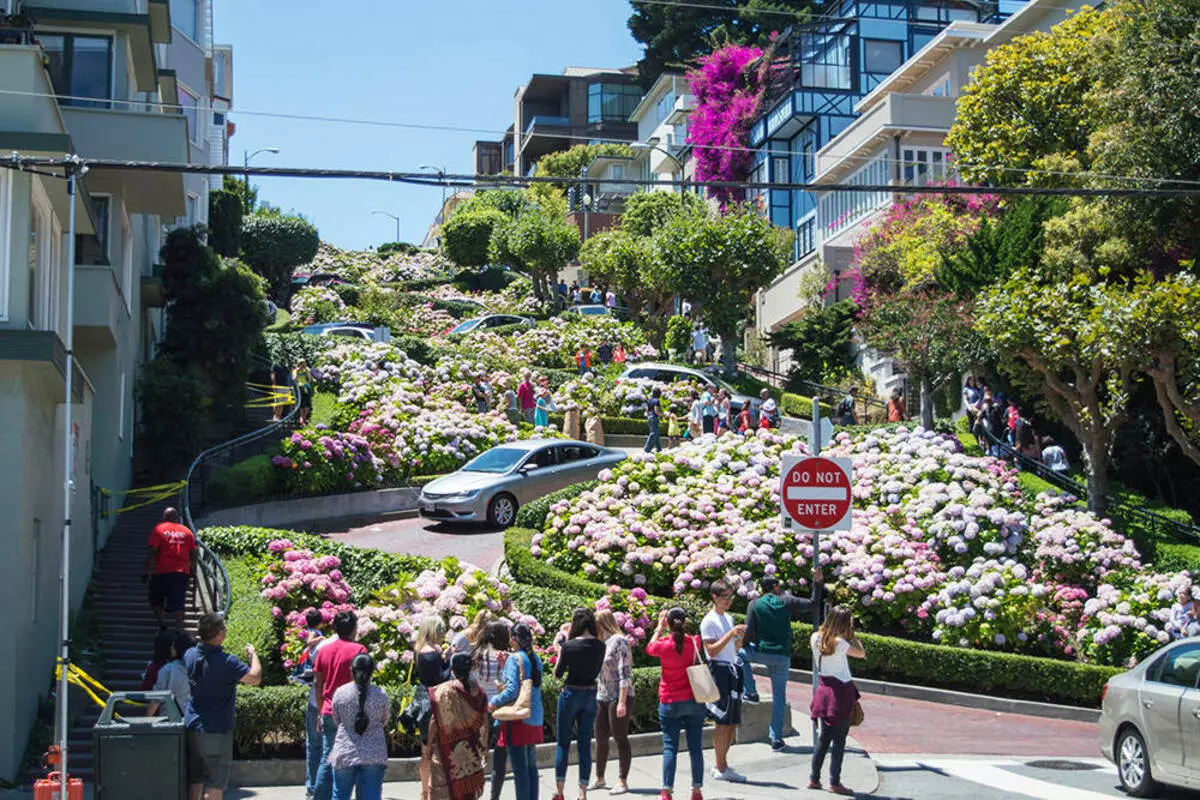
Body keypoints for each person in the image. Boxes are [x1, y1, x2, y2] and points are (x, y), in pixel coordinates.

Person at [184, 612, 261, 800]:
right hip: (216, 729)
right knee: (215, 782)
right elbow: (255, 678)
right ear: (219, 633)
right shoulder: (227, 661)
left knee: (195, 779)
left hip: (192, 724)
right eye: (224, 628)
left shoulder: (189, 654)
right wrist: (253, 655)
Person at [740, 575, 820, 749]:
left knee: (738, 655)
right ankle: (776, 738)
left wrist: (747, 646)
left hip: (761, 652)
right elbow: (813, 603)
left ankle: (751, 692)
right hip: (782, 656)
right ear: (775, 587)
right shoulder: (786, 601)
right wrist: (817, 582)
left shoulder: (754, 604)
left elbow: (748, 631)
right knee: (779, 697)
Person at [645, 608, 706, 800]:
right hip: (693, 700)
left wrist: (659, 627)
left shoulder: (663, 645)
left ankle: (667, 790)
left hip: (670, 700)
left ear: (669, 623)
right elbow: (691, 640)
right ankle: (696, 790)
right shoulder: (694, 641)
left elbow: (649, 648)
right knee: (695, 746)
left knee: (670, 747)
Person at [808, 607, 866, 796]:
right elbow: (861, 653)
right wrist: (852, 634)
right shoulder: (841, 643)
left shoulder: (815, 637)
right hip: (840, 692)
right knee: (839, 740)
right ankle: (835, 781)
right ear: (843, 623)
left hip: (824, 690)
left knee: (824, 739)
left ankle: (814, 778)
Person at [313, 611, 368, 800]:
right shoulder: (359, 650)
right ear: (353, 629)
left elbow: (318, 684)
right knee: (356, 759)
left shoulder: (324, 650)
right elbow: (362, 684)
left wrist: (321, 710)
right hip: (351, 711)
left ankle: (320, 797)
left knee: (328, 757)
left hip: (328, 709)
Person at [553, 608, 606, 800]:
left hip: (571, 693)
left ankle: (559, 790)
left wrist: (560, 650)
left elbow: (558, 674)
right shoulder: (601, 646)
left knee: (563, 744)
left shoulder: (569, 647)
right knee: (585, 744)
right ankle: (582, 791)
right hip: (591, 693)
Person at [422, 653, 490, 800]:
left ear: (452, 669)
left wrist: (428, 745)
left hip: (445, 752)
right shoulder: (480, 692)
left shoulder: (443, 691)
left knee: (442, 790)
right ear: (471, 668)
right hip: (472, 751)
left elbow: (435, 721)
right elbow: (485, 722)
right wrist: (485, 747)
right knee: (468, 791)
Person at [489, 623, 544, 800]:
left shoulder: (515, 659)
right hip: (533, 716)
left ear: (514, 639)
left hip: (517, 719)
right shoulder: (535, 658)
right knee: (530, 766)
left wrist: (493, 701)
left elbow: (511, 690)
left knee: (520, 768)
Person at [701, 580, 746, 783]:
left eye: (731, 596)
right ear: (715, 597)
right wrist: (730, 634)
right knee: (722, 721)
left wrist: (740, 638)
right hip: (719, 671)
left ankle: (722, 763)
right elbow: (711, 651)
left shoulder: (728, 617)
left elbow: (733, 649)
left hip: (732, 669)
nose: (729, 601)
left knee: (732, 722)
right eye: (725, 597)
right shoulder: (709, 621)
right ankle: (720, 766)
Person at [329, 653, 389, 800]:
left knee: (340, 795)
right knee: (372, 796)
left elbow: (336, 719)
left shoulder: (340, 693)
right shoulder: (380, 694)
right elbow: (384, 720)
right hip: (374, 753)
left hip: (345, 752)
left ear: (351, 670)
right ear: (372, 672)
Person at [592, 610, 634, 795]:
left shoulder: (619, 641)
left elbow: (625, 672)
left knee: (620, 737)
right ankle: (599, 777)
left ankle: (622, 780)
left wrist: (622, 702)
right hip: (602, 694)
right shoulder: (601, 643)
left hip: (618, 694)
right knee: (600, 738)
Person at [473, 623, 511, 800]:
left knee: (476, 753)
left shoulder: (477, 655)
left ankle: (473, 791)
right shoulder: (506, 657)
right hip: (500, 708)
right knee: (500, 757)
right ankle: (494, 796)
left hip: (479, 708)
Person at [143, 507, 197, 631]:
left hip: (161, 571)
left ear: (164, 517)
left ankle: (162, 623)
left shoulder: (159, 529)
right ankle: (179, 628)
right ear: (177, 517)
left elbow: (152, 551)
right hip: (181, 572)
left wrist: (147, 570)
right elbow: (194, 553)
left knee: (156, 599)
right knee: (179, 602)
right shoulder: (187, 531)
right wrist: (192, 571)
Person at [148, 631, 194, 716]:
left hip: (169, 720)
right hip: (192, 720)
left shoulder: (167, 670)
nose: (171, 647)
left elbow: (156, 699)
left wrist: (146, 720)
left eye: (173, 645)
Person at [416, 616, 449, 687]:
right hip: (433, 694)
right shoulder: (430, 654)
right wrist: (451, 663)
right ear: (435, 632)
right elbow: (441, 679)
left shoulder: (418, 648)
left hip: (423, 689)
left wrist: (443, 657)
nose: (443, 635)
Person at [296, 359, 314, 426]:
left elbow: (309, 379)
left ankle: (304, 417)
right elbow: (295, 379)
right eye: (300, 363)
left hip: (306, 386)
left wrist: (306, 372)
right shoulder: (296, 370)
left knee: (307, 403)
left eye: (303, 363)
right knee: (302, 403)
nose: (302, 365)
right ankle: (302, 418)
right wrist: (297, 372)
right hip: (300, 387)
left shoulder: (307, 370)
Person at [645, 387, 663, 453]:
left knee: (656, 433)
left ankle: (659, 449)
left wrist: (648, 417)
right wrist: (664, 415)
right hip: (654, 417)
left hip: (650, 417)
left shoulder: (650, 400)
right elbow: (656, 411)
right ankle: (646, 449)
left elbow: (647, 410)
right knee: (654, 433)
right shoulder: (656, 401)